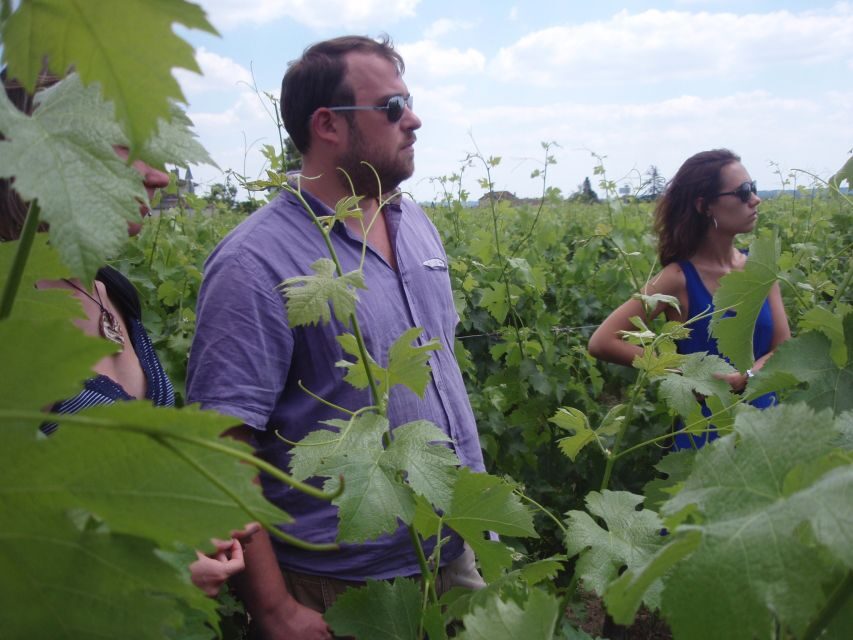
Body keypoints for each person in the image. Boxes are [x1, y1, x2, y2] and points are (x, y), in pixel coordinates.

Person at [186, 35, 486, 639]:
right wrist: (274, 609)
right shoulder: (253, 261)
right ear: (327, 124)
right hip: (341, 585)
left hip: (452, 547)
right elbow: (222, 445)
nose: (413, 119)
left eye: (409, 103)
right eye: (393, 106)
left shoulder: (412, 220)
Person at [0, 70, 249, 596]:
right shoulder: (10, 312)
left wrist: (179, 527)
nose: (160, 177)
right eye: (131, 145)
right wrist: (149, 576)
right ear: (48, 143)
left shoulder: (112, 289)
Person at [588, 149, 791, 449]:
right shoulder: (677, 278)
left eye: (754, 188)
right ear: (704, 205)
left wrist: (746, 377)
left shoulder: (760, 268)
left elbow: (783, 348)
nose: (755, 199)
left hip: (767, 433)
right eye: (743, 191)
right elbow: (602, 341)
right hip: (705, 440)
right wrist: (685, 376)